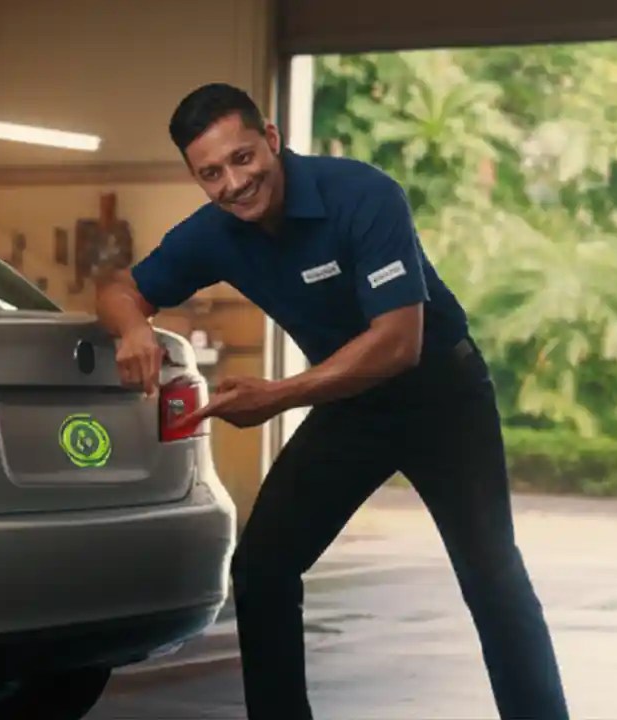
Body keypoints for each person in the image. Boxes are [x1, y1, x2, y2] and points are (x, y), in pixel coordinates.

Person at [95, 82, 570, 720]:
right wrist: (131, 329)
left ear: (271, 140)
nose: (233, 183)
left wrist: (277, 396)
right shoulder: (214, 234)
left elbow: (399, 343)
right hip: (352, 407)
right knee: (262, 569)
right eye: (210, 173)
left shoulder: (363, 195)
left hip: (441, 399)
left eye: (242, 158)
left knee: (491, 577)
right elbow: (121, 289)